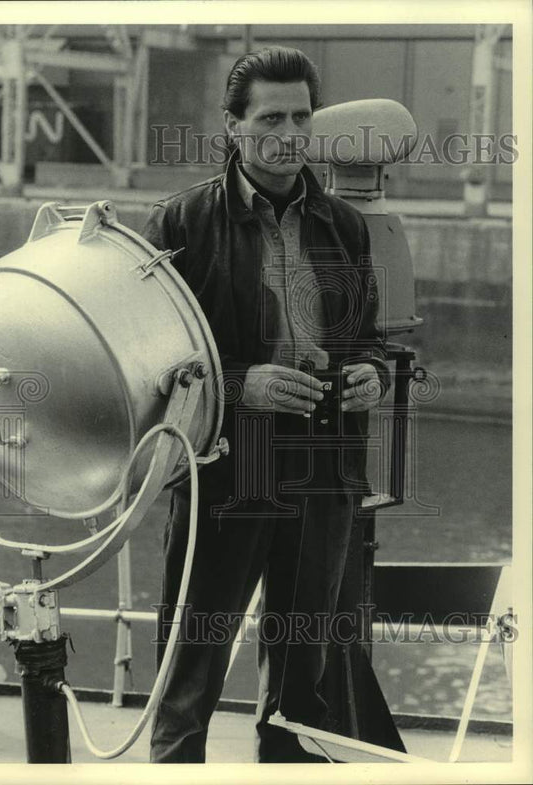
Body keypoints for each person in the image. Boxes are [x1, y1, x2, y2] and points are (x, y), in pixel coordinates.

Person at [142, 46, 393, 763]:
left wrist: (372, 373)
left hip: (325, 464)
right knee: (192, 664)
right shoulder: (180, 223)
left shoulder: (344, 225)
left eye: (301, 118)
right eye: (271, 118)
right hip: (227, 464)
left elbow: (368, 340)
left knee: (302, 678)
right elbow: (148, 362)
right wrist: (239, 381)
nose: (289, 134)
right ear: (233, 125)